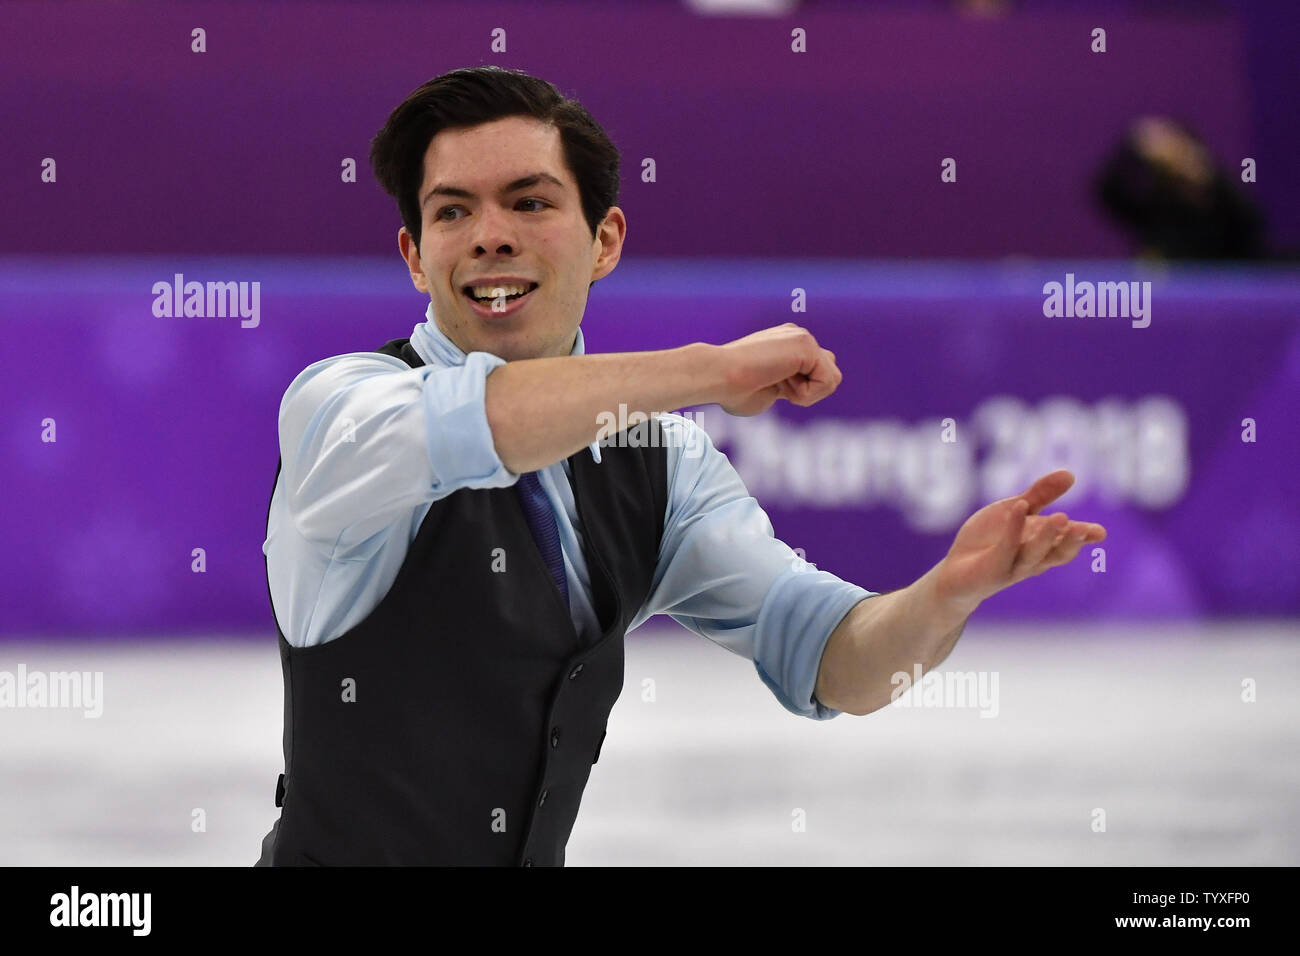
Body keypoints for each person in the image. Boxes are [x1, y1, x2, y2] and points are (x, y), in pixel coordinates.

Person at [255, 66, 1106, 866]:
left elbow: (836, 662)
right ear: (413, 255)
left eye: (529, 201)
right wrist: (711, 371)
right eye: (451, 213)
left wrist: (943, 596)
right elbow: (480, 420)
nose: (489, 237)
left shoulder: (656, 461)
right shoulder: (340, 409)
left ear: (605, 239)